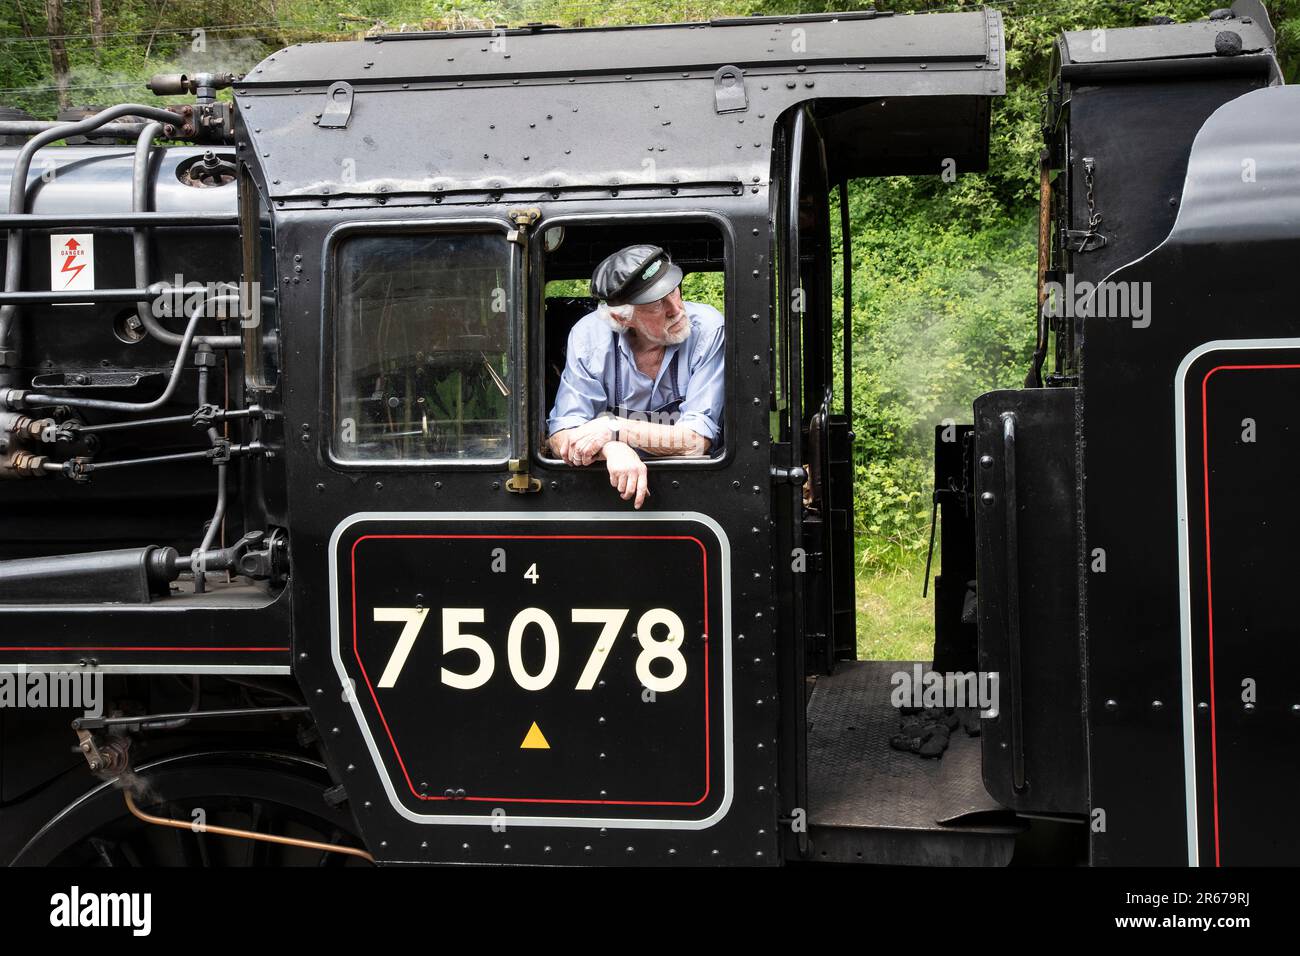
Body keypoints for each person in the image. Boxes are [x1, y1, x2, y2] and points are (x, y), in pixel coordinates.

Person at [546, 244, 724, 509]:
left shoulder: (708, 329)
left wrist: (613, 429)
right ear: (622, 317)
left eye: (674, 290)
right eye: (656, 304)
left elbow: (696, 441)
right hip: (609, 497)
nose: (676, 309)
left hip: (695, 496)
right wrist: (611, 448)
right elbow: (561, 434)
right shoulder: (588, 338)